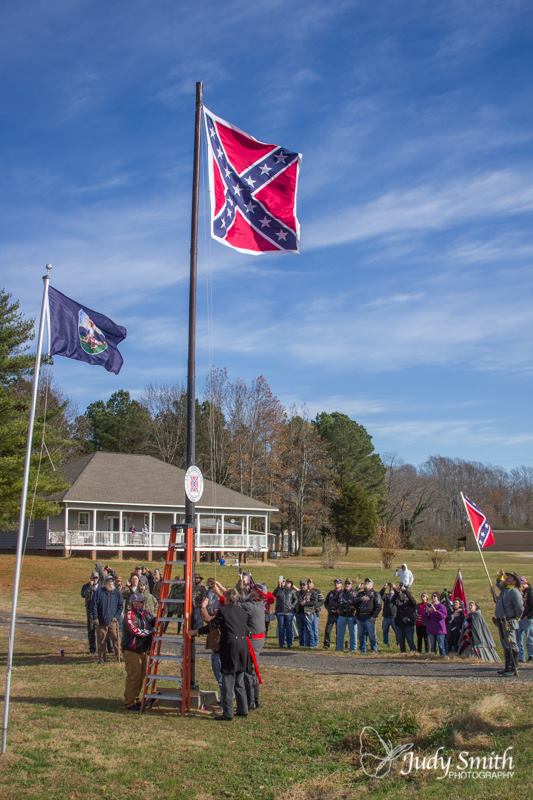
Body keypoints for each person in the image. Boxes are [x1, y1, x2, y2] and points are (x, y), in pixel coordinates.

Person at [196, 588, 250, 721]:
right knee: (239, 679)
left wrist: (196, 631)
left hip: (230, 647)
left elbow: (211, 626)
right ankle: (243, 709)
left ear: (226, 598)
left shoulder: (223, 611)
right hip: (243, 646)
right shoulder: (242, 611)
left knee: (227, 680)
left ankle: (228, 712)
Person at [122, 592, 155, 711]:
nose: (141, 603)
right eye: (139, 602)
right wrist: (150, 631)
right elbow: (134, 630)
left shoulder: (145, 614)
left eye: (142, 602)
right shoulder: (129, 615)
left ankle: (134, 698)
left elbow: (155, 620)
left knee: (141, 676)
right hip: (131, 650)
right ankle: (129, 702)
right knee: (134, 676)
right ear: (133, 602)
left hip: (142, 651)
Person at [494, 570, 524, 676]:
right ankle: (507, 667)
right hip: (501, 621)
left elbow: (519, 607)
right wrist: (499, 577)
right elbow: (498, 583)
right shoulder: (505, 590)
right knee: (505, 644)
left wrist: (515, 617)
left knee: (511, 644)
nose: (507, 578)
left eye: (509, 577)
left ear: (514, 581)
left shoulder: (514, 591)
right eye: (507, 576)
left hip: (509, 621)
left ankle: (513, 667)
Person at [90, 576, 124, 664]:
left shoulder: (117, 593)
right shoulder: (99, 592)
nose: (110, 584)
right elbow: (94, 606)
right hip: (101, 621)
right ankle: (101, 658)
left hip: (113, 621)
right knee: (101, 640)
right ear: (105, 583)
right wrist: (95, 618)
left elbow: (120, 606)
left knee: (116, 639)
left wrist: (116, 616)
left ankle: (119, 656)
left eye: (112, 583)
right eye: (108, 583)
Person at [354, 578, 381, 654]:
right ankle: (363, 650)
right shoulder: (360, 594)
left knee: (372, 635)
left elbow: (378, 607)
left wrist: (373, 617)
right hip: (360, 617)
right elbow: (352, 600)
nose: (366, 583)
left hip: (369, 617)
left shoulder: (376, 594)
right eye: (365, 582)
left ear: (372, 585)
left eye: (368, 582)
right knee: (361, 636)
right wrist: (360, 598)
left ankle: (374, 650)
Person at [274, 577, 298, 648]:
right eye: (284, 582)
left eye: (288, 583)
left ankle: (289, 644)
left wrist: (292, 606)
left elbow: (296, 599)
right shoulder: (279, 590)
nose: (286, 583)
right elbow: (274, 594)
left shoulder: (292, 591)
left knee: (289, 628)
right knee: (281, 628)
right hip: (280, 612)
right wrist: (279, 586)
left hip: (289, 612)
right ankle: (281, 644)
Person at [391, 584, 417, 652]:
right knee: (401, 640)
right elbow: (392, 600)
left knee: (409, 639)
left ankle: (413, 652)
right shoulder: (398, 602)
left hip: (409, 624)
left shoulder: (411, 603)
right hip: (399, 624)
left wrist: (405, 591)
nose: (403, 596)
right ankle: (403, 653)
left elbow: (413, 601)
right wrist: (396, 591)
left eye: (404, 595)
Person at [80, 572, 100, 654]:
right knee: (91, 630)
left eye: (96, 577)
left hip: (99, 611)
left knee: (101, 631)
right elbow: (84, 594)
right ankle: (92, 649)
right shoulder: (86, 586)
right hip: (90, 611)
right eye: (93, 577)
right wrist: (90, 587)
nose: (95, 579)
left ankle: (106, 649)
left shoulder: (101, 586)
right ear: (90, 578)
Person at [336, 579, 357, 653]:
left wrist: (354, 608)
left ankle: (353, 649)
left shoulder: (355, 592)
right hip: (341, 616)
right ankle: (339, 649)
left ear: (351, 584)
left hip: (352, 616)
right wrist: (337, 608)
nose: (347, 585)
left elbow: (358, 603)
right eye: (346, 583)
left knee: (353, 633)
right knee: (340, 633)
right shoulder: (340, 593)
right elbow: (334, 602)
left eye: (349, 583)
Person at [323, 579, 343, 649]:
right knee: (327, 630)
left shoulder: (343, 593)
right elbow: (325, 602)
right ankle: (326, 645)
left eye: (338, 583)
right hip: (331, 614)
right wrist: (328, 609)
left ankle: (338, 645)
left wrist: (340, 609)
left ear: (341, 584)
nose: (336, 584)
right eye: (335, 582)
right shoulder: (331, 592)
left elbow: (345, 603)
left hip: (339, 615)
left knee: (338, 632)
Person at [304, 579, 324, 648]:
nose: (309, 584)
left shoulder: (317, 591)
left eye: (311, 583)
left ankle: (316, 643)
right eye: (308, 583)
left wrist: (316, 605)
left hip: (315, 612)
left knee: (314, 628)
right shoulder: (305, 591)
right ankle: (309, 643)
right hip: (307, 612)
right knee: (308, 628)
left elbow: (322, 600)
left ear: (313, 584)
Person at [518, 576, 533, 663]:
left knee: (529, 637)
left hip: (528, 618)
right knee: (519, 638)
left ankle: (531, 655)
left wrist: (529, 616)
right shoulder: (522, 592)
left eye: (522, 584)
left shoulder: (530, 592)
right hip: (521, 618)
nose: (521, 586)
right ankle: (521, 657)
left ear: (525, 583)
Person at [379, 582, 398, 647]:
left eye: (392, 588)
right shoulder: (386, 596)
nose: (391, 589)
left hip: (394, 617)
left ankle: (398, 643)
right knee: (385, 631)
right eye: (390, 588)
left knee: (397, 631)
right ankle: (386, 643)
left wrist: (395, 587)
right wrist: (384, 587)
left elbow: (398, 594)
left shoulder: (396, 596)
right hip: (386, 617)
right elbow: (380, 594)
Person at [295, 580, 310, 646]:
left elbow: (308, 602)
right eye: (301, 585)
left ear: (307, 586)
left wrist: (304, 601)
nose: (302, 586)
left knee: (307, 629)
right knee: (300, 630)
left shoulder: (309, 593)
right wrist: (303, 601)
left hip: (306, 613)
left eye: (304, 585)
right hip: (298, 613)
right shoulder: (297, 593)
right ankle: (301, 644)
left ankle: (307, 644)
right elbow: (300, 602)